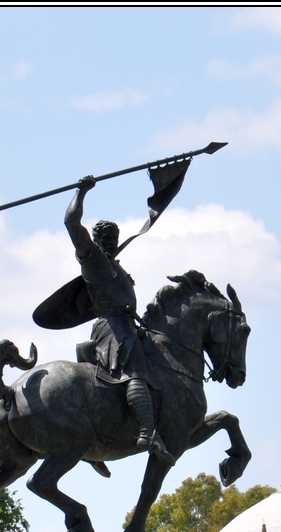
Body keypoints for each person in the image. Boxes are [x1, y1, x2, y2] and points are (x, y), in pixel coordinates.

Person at [63, 175, 174, 465]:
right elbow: (71, 224)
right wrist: (82, 192)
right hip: (112, 328)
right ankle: (148, 432)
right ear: (97, 242)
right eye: (106, 241)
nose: (111, 244)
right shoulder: (92, 258)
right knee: (136, 371)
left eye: (114, 240)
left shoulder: (115, 266)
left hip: (128, 325)